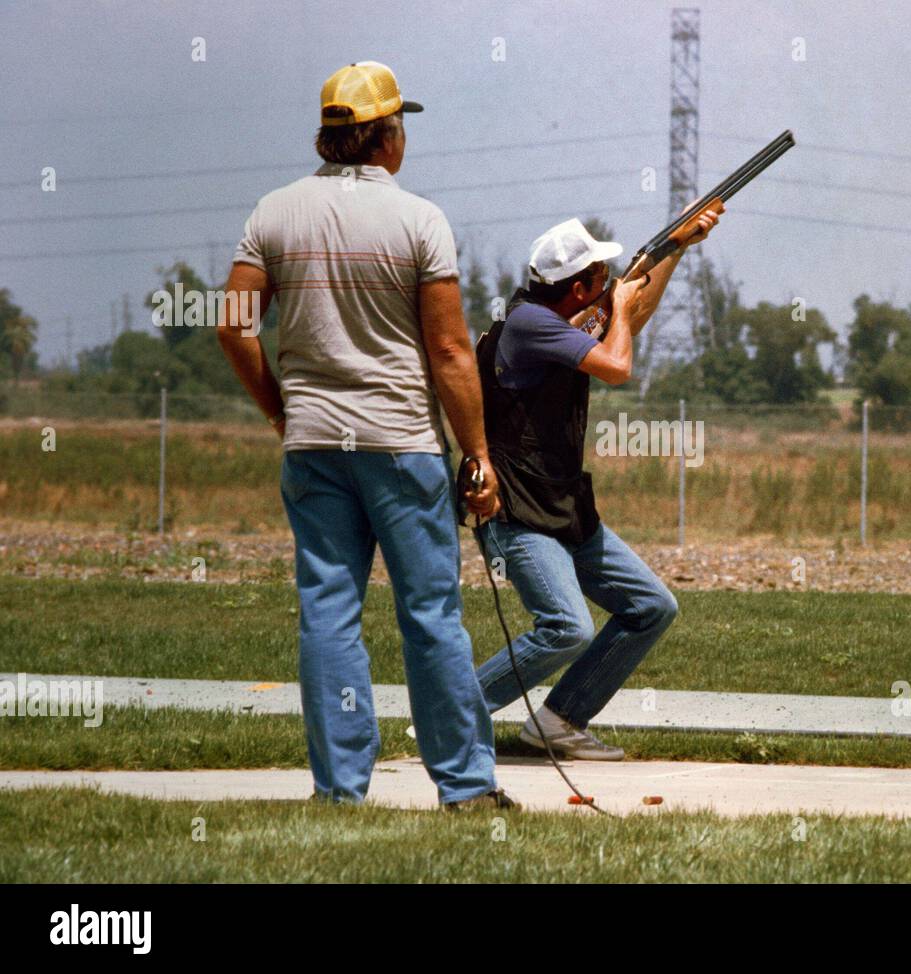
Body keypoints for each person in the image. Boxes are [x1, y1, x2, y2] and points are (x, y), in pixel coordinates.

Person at [216, 60, 513, 810]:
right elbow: (448, 351)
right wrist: (477, 454)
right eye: (400, 126)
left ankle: (340, 790)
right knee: (430, 614)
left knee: (328, 610)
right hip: (402, 443)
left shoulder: (272, 212)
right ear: (386, 138)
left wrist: (280, 410)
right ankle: (467, 786)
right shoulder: (419, 220)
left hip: (313, 444)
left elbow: (233, 324)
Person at [470, 211, 719, 759]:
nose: (608, 284)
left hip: (561, 507)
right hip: (519, 510)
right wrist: (622, 309)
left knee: (651, 607)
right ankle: (454, 711)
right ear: (578, 288)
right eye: (600, 278)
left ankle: (559, 721)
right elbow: (617, 364)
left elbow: (627, 319)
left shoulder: (551, 324)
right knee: (567, 628)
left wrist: (676, 247)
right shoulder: (530, 326)